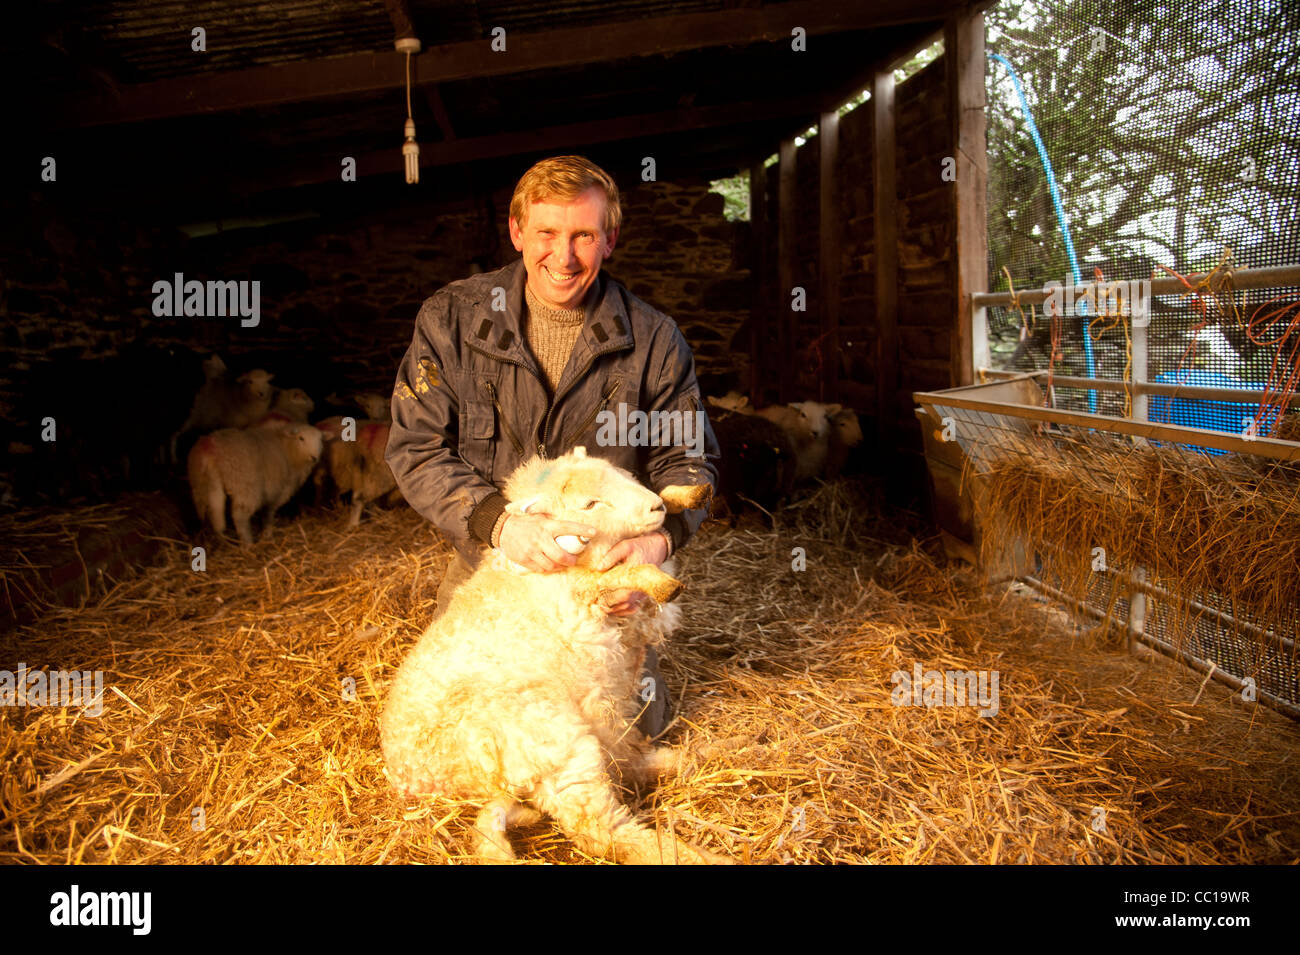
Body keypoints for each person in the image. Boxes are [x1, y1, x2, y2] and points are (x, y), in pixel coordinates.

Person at [385, 155, 719, 735]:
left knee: (630, 736)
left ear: (610, 238)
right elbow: (416, 448)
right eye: (546, 233)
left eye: (583, 235)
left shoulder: (656, 340)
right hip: (493, 575)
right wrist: (500, 524)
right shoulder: (451, 320)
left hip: (603, 585)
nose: (563, 257)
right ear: (517, 232)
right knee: (467, 728)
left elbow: (689, 461)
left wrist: (656, 547)